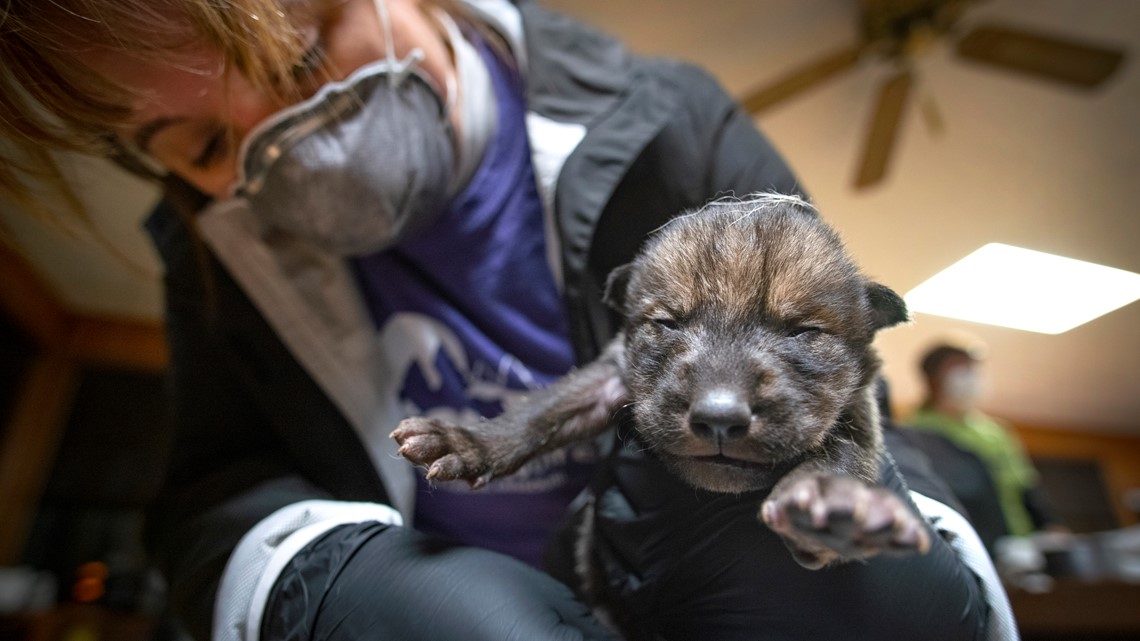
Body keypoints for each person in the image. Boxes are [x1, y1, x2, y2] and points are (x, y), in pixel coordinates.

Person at [0, 1, 1010, 639]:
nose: (287, 147)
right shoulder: (211, 257)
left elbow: (842, 374)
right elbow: (213, 488)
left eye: (302, 60)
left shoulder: (671, 126)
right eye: (205, 143)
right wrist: (322, 583)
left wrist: (910, 547)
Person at [905, 341, 1066, 551]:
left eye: (972, 368)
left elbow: (1024, 484)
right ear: (933, 378)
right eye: (959, 368)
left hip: (1021, 544)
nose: (970, 376)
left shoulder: (994, 431)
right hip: (968, 544)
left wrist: (1049, 525)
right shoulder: (913, 431)